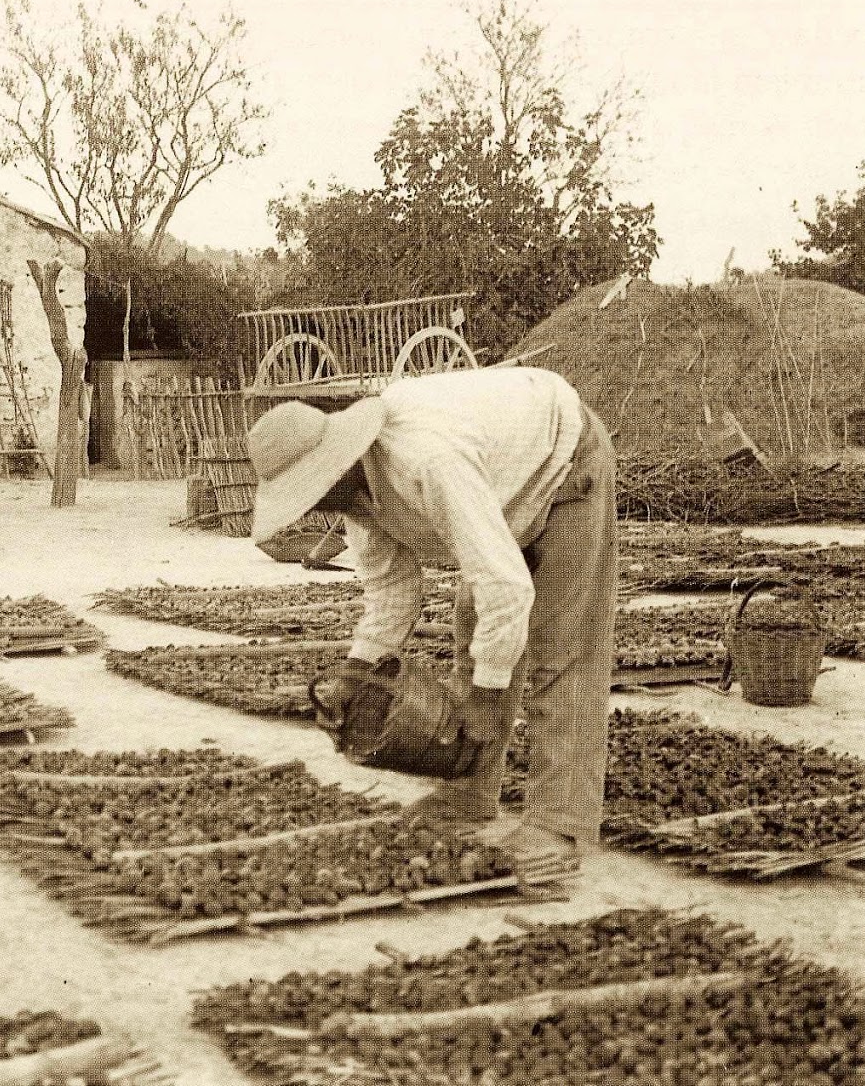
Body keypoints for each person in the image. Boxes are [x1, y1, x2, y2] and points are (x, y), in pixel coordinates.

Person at [247, 366, 617, 871]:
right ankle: (469, 794)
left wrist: (489, 694)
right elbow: (390, 590)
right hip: (503, 491)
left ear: (337, 465)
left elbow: (506, 587)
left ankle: (559, 821)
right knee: (476, 640)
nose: (312, 507)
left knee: (561, 648)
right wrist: (360, 670)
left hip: (565, 463)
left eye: (310, 492)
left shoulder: (425, 460)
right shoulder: (359, 498)